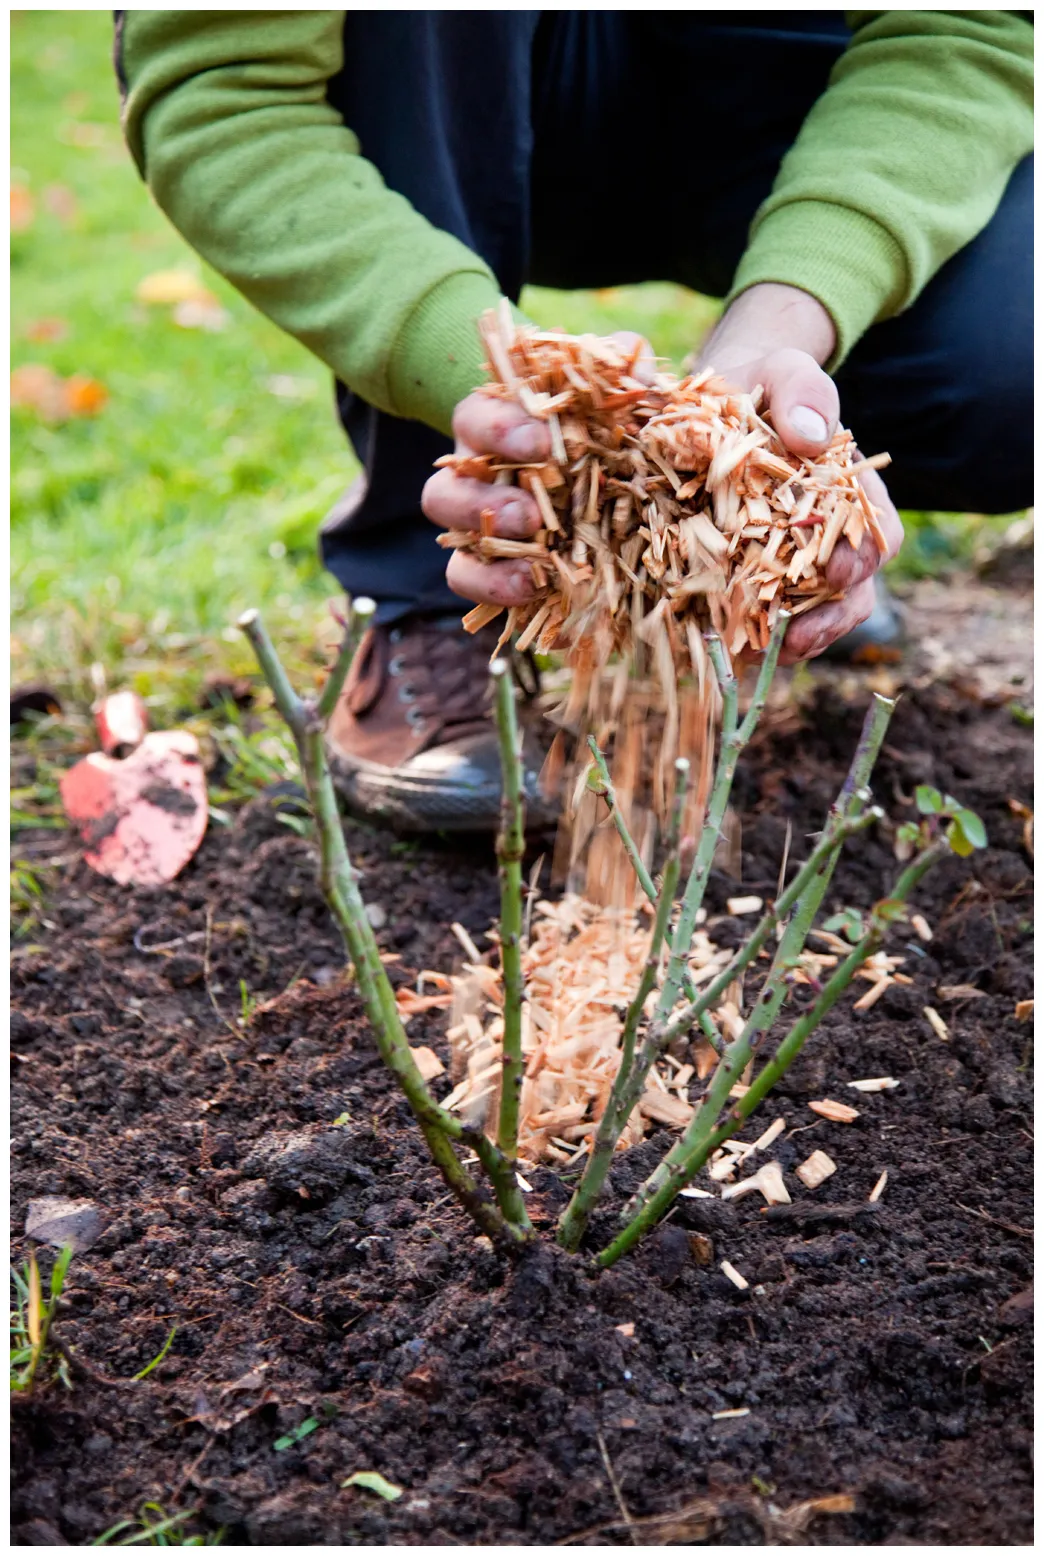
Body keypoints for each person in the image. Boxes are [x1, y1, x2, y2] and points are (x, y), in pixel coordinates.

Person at [115, 11, 1032, 830]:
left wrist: (785, 335)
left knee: (1012, 367)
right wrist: (500, 382)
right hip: (455, 92)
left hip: (782, 79)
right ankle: (429, 599)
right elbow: (228, 88)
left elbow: (967, 30)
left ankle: (770, 536)